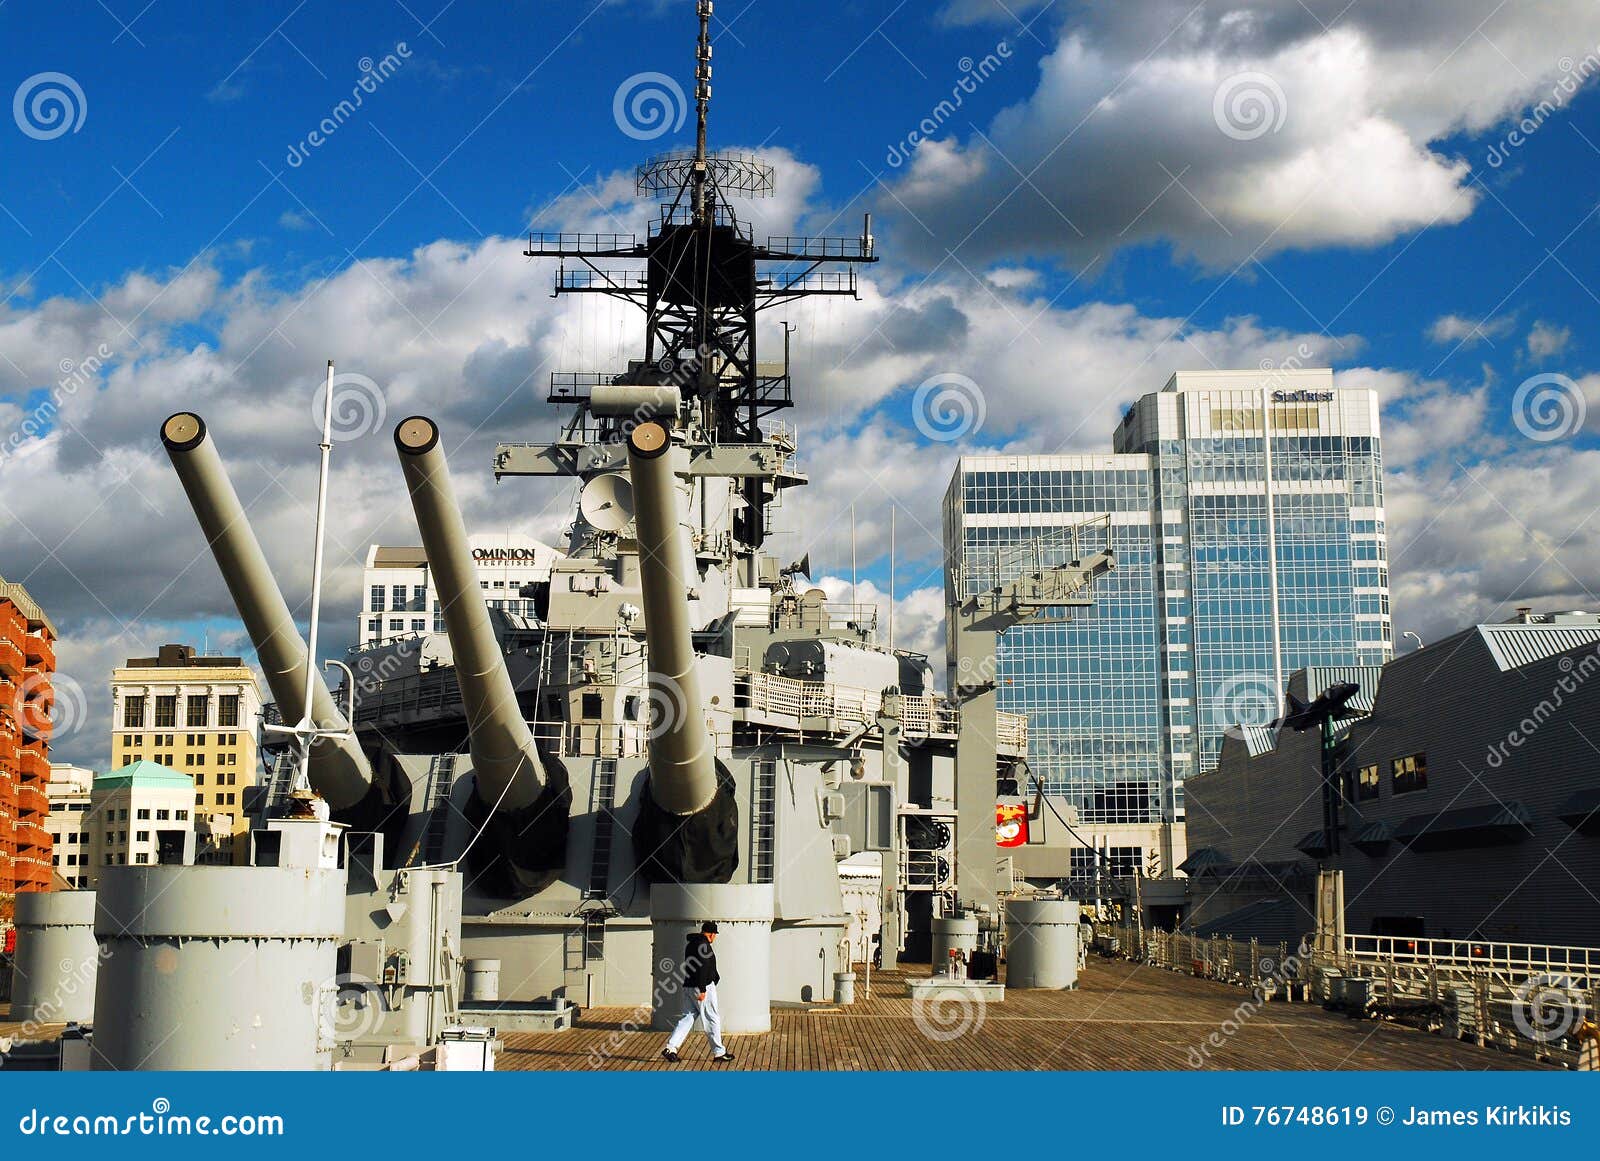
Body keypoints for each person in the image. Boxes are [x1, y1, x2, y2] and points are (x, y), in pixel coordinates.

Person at [662, 921, 735, 1063]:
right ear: (711, 934)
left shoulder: (691, 944)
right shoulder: (704, 945)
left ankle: (670, 1048)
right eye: (715, 935)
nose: (715, 938)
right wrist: (702, 989)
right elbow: (703, 967)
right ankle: (719, 1052)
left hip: (688, 986)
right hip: (702, 987)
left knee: (687, 1018)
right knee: (712, 1018)